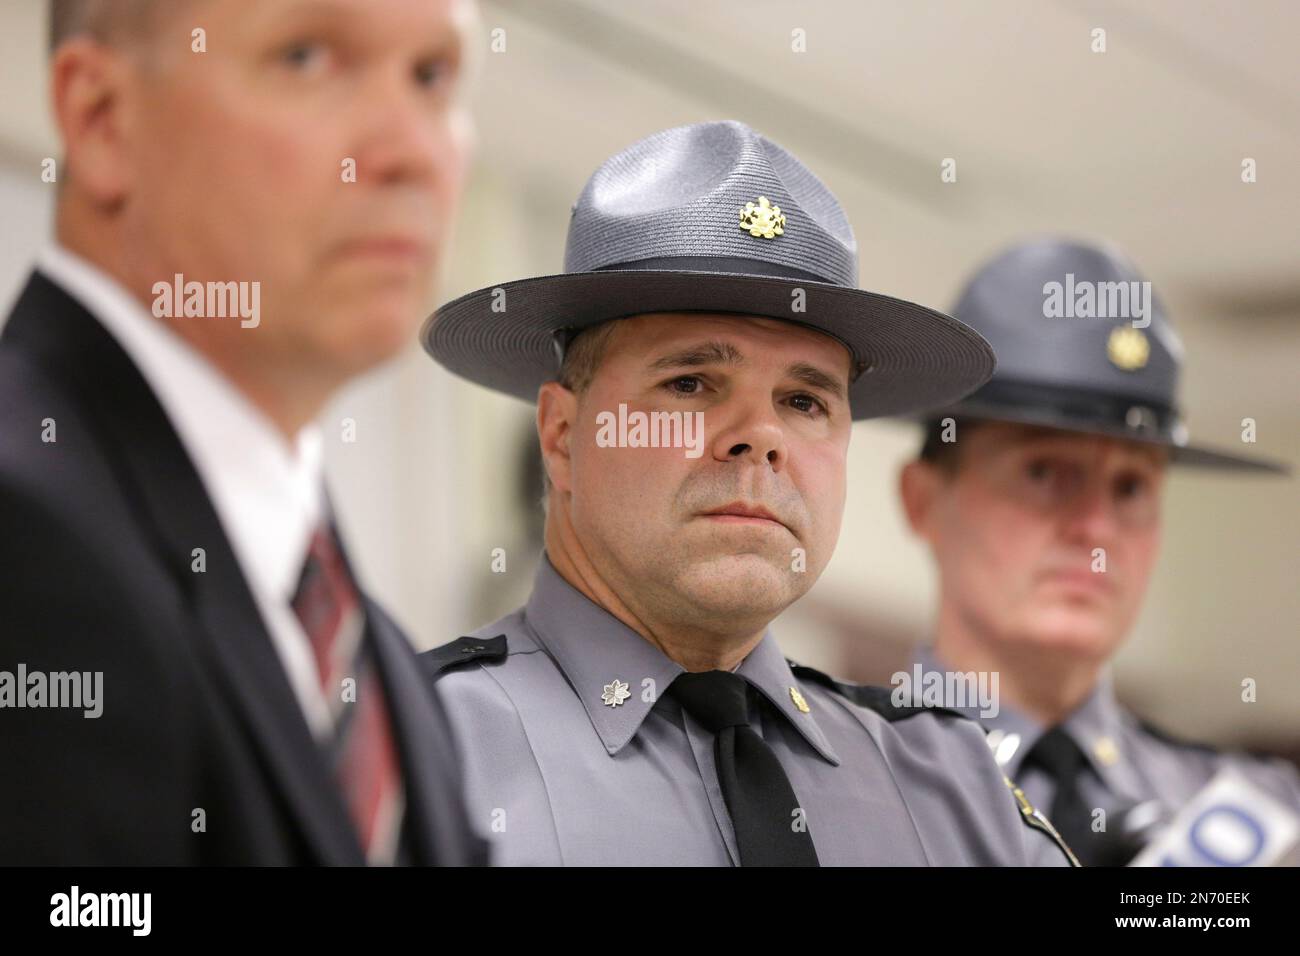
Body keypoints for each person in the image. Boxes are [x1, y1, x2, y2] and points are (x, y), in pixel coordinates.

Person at [418, 120, 1077, 866]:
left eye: (805, 401)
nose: (759, 436)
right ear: (565, 435)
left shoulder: (954, 788)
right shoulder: (411, 752)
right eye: (692, 383)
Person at [0, 0, 485, 865]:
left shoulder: (389, 674)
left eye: (430, 76)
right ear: (103, 120)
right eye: (307, 57)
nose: (411, 151)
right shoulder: (23, 536)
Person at [897, 237, 1300, 865]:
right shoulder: (827, 779)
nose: (1095, 527)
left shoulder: (1256, 822)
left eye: (1131, 485)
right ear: (922, 501)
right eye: (1044, 472)